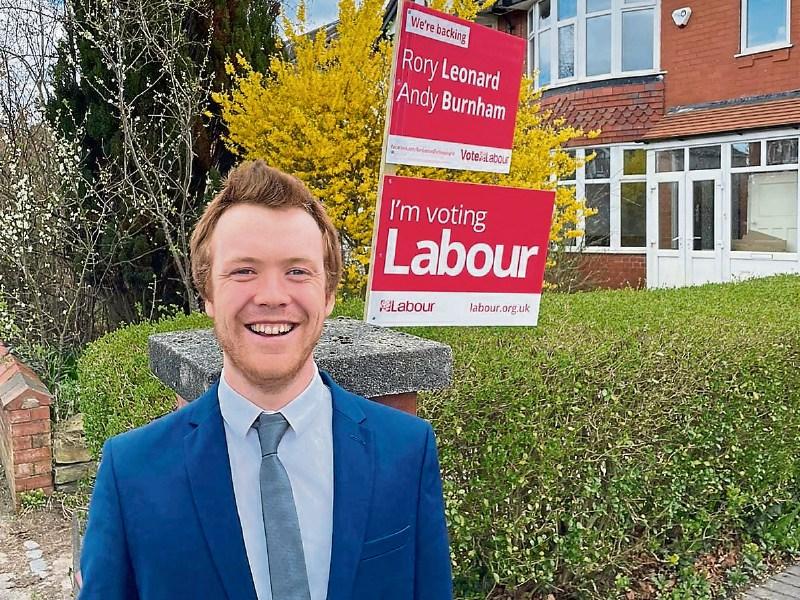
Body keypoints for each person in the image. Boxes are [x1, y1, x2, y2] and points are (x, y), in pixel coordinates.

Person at [78, 160, 452, 599]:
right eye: (243, 270)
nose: (273, 296)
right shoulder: (131, 471)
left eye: (297, 271)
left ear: (328, 294)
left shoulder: (406, 450)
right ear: (208, 294)